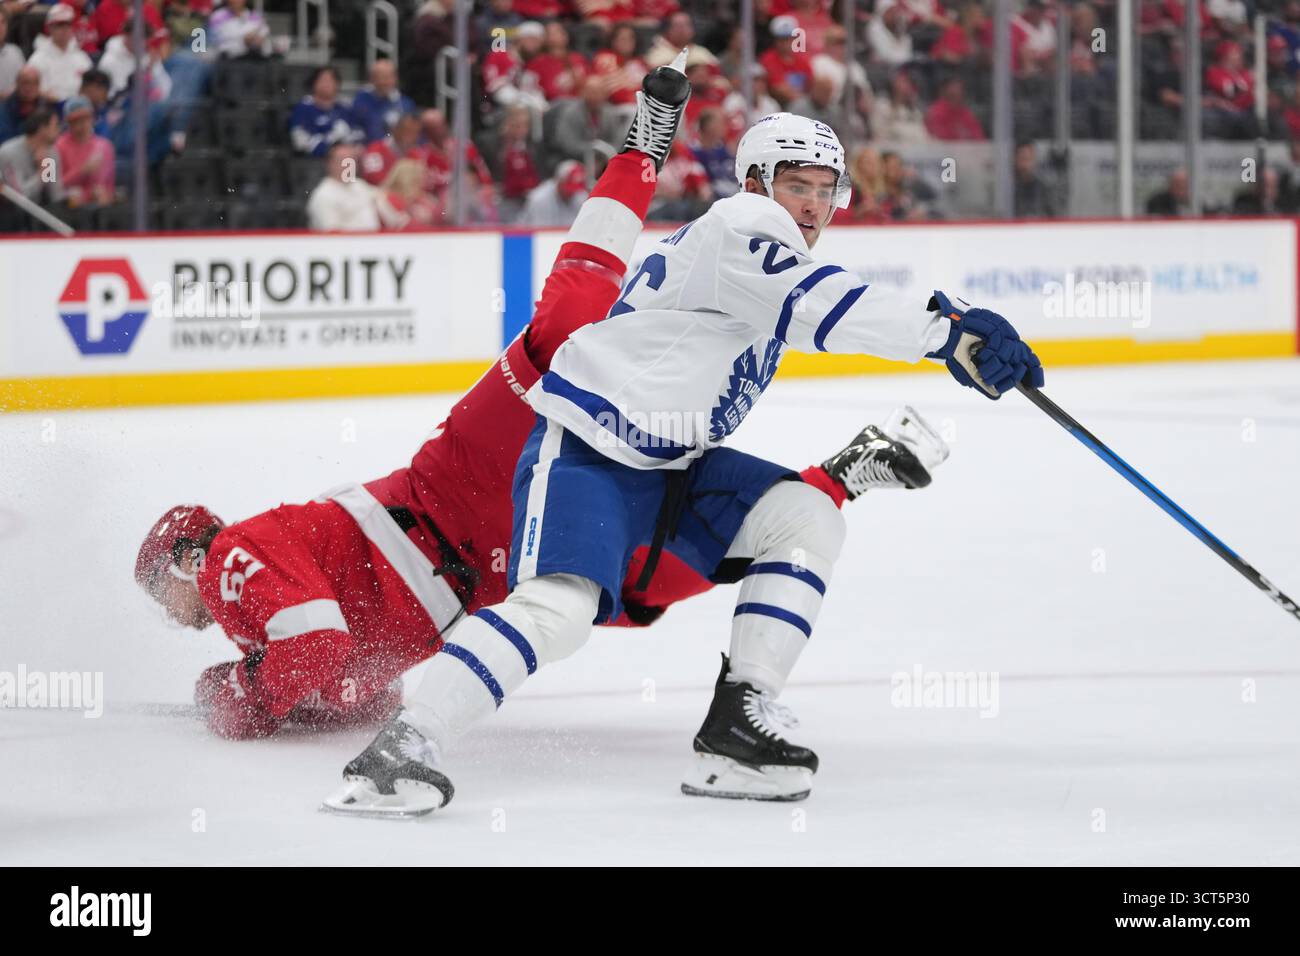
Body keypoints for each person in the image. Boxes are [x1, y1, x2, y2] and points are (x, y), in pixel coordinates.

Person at [329, 60, 1042, 815]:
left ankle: (738, 724)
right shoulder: (743, 227)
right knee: (558, 610)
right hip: (591, 453)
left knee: (805, 517)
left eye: (826, 189)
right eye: (797, 184)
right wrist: (945, 332)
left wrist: (951, 323)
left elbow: (803, 294)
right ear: (759, 182)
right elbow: (820, 304)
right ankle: (404, 746)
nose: (812, 204)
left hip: (672, 468)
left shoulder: (759, 254)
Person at [139, 90, 947, 744]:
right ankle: (837, 479)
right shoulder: (255, 614)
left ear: (182, 558)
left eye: (160, 591)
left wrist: (229, 695)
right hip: (487, 561)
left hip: (450, 493)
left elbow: (314, 656)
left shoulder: (230, 558)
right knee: (635, 579)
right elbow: (347, 683)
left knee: (563, 327)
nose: (175, 618)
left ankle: (641, 145)